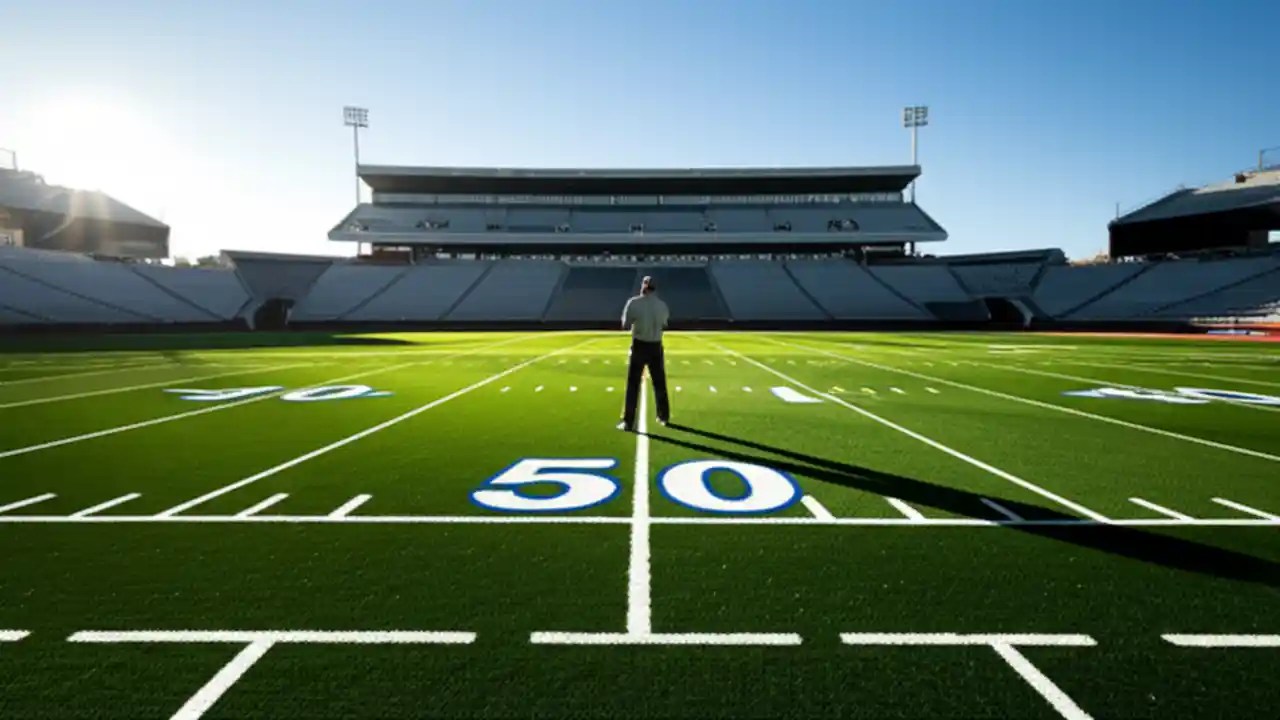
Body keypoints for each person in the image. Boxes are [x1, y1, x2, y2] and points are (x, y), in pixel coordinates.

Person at [618, 275, 671, 431]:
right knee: (659, 383)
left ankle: (628, 421)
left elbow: (625, 325)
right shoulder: (662, 305)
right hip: (656, 345)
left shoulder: (634, 303)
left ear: (643, 286)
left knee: (633, 384)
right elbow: (664, 324)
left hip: (640, 345)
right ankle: (663, 416)